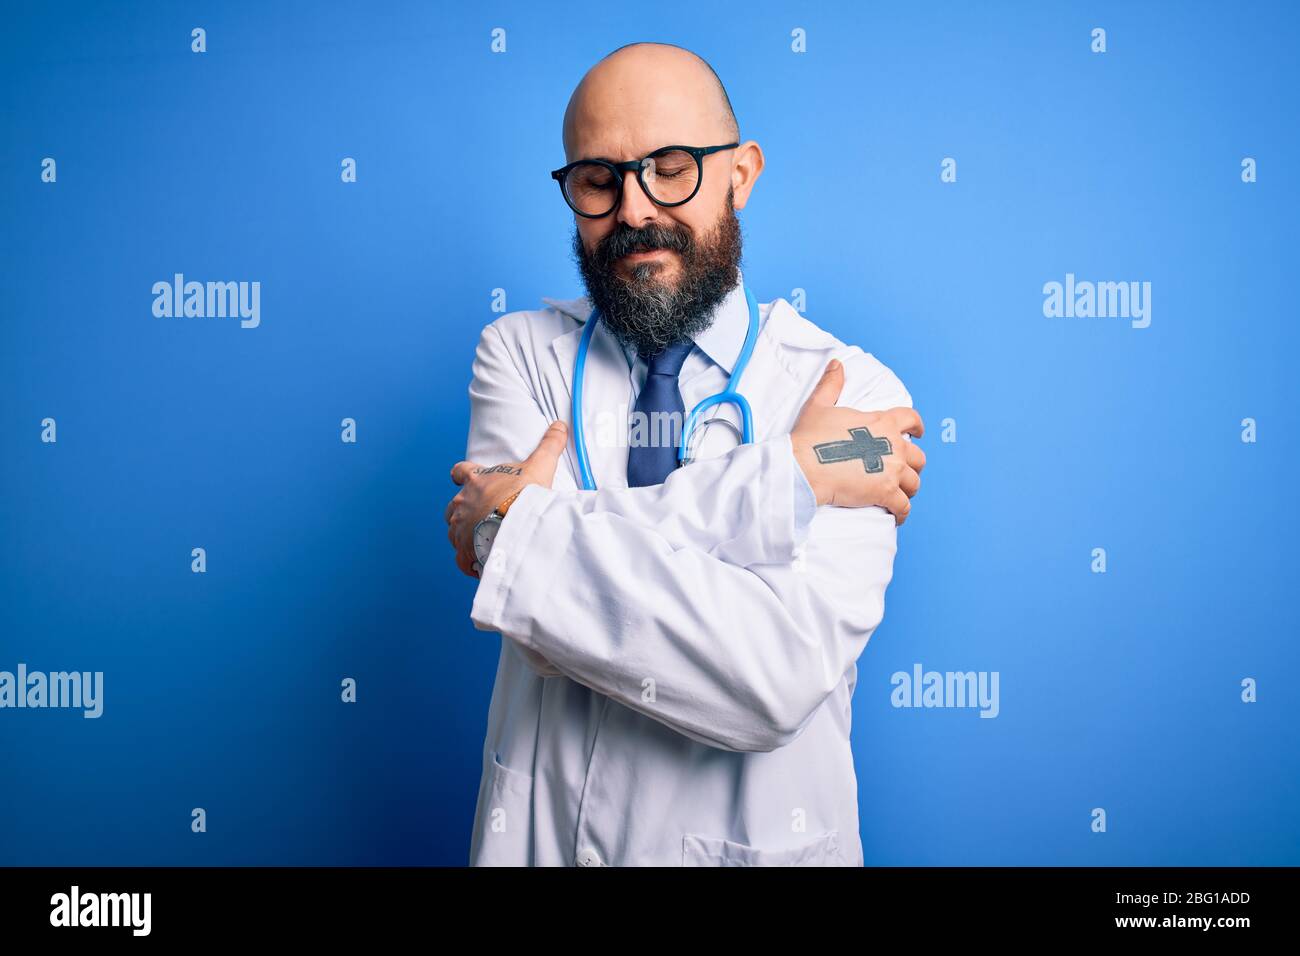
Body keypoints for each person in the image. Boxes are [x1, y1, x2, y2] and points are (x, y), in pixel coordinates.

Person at [443, 41, 925, 866]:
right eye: (599, 179)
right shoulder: (517, 354)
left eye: (671, 167)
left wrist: (527, 534)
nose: (634, 209)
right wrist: (789, 480)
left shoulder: (859, 401)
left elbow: (770, 684)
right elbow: (517, 594)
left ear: (742, 172)